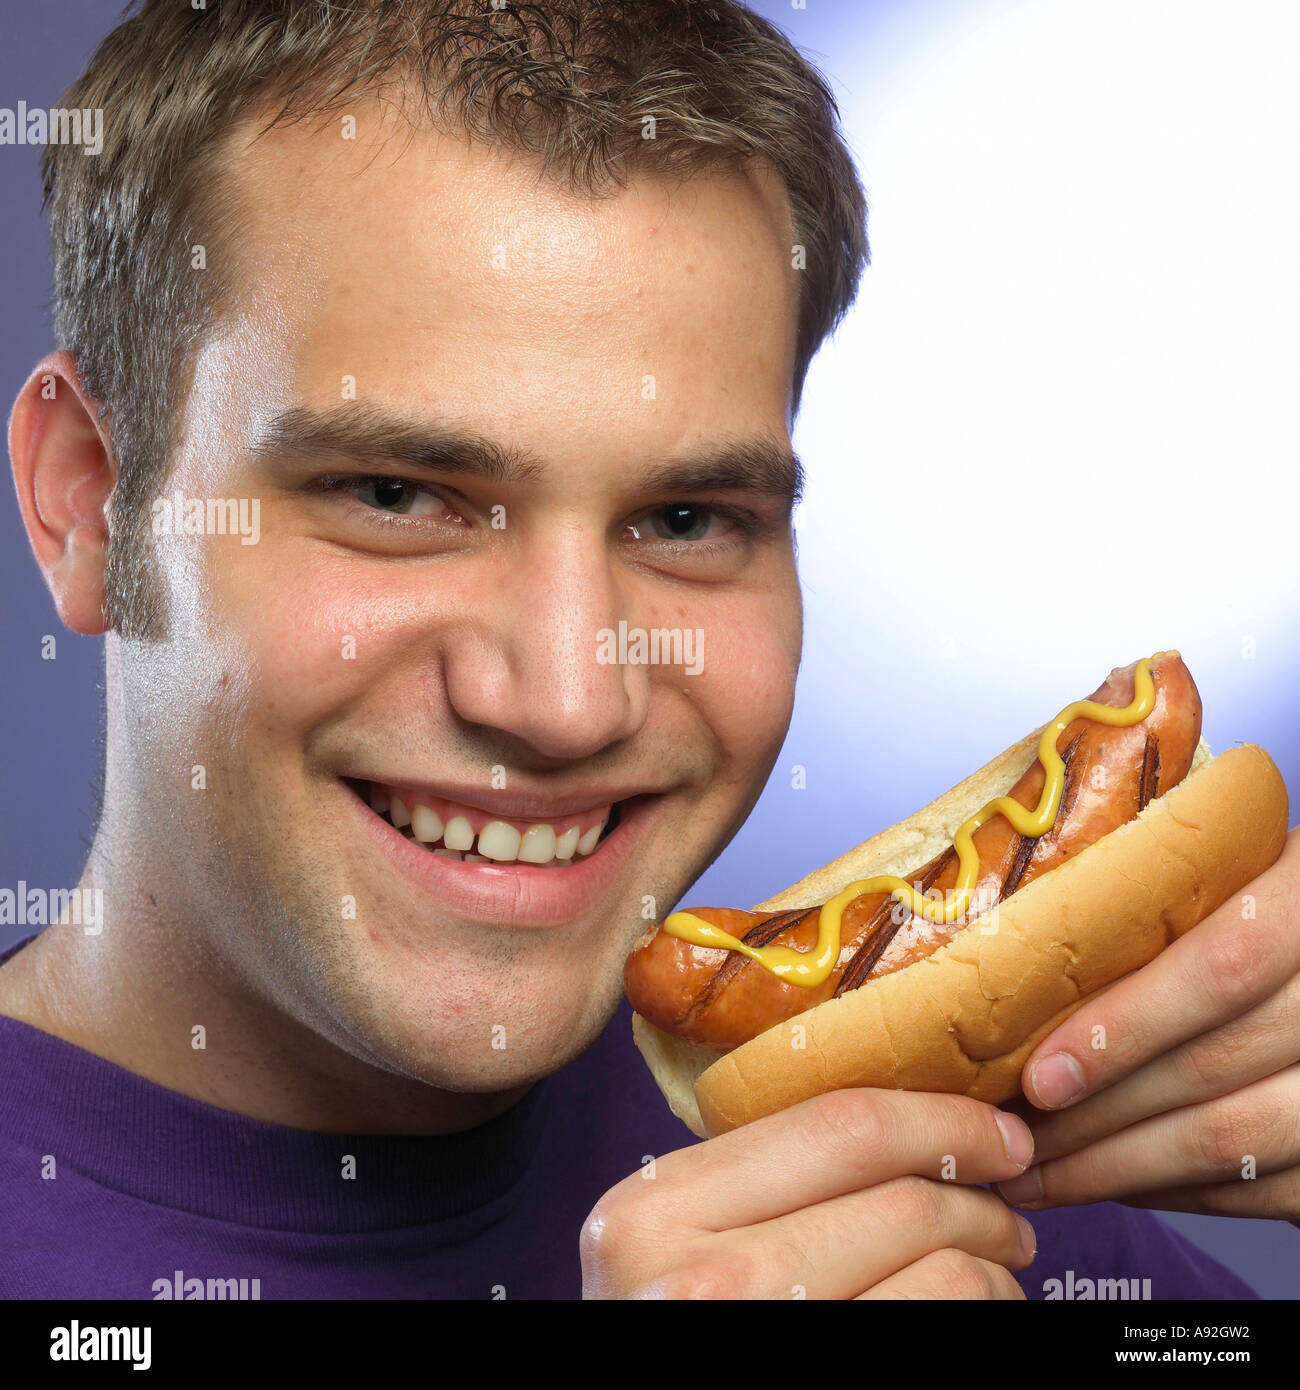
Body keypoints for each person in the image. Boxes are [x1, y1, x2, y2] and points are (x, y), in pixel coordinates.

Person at [2, 0, 1294, 1301]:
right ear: (87, 501)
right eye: (396, 495)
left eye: (685, 519)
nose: (568, 698)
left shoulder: (970, 1183)